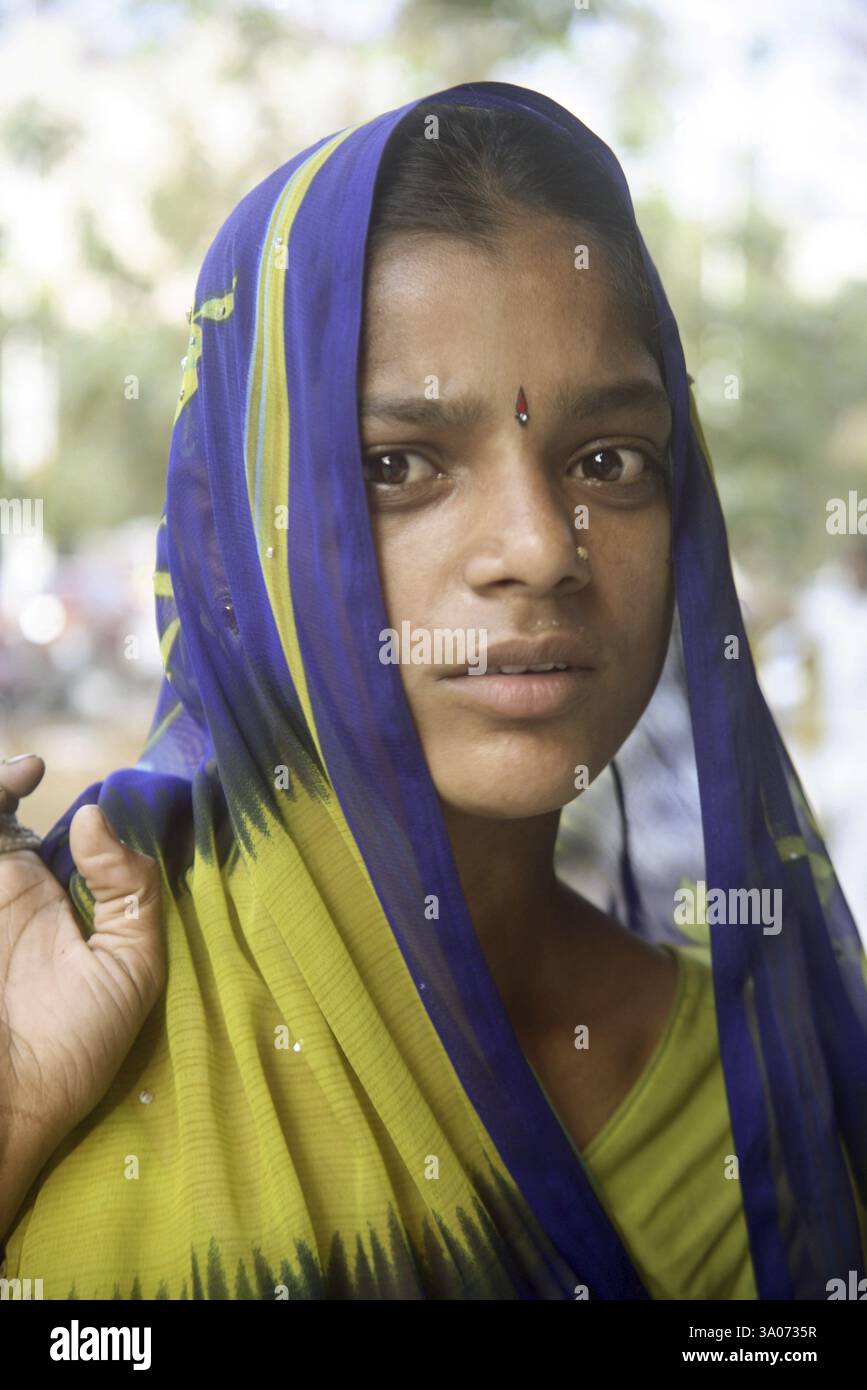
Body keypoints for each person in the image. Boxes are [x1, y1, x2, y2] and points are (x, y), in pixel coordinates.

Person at [1, 82, 865, 1302]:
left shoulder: (769, 1081)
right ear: (244, 532)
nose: (540, 546)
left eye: (609, 461)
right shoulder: (53, 1002)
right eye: (397, 464)